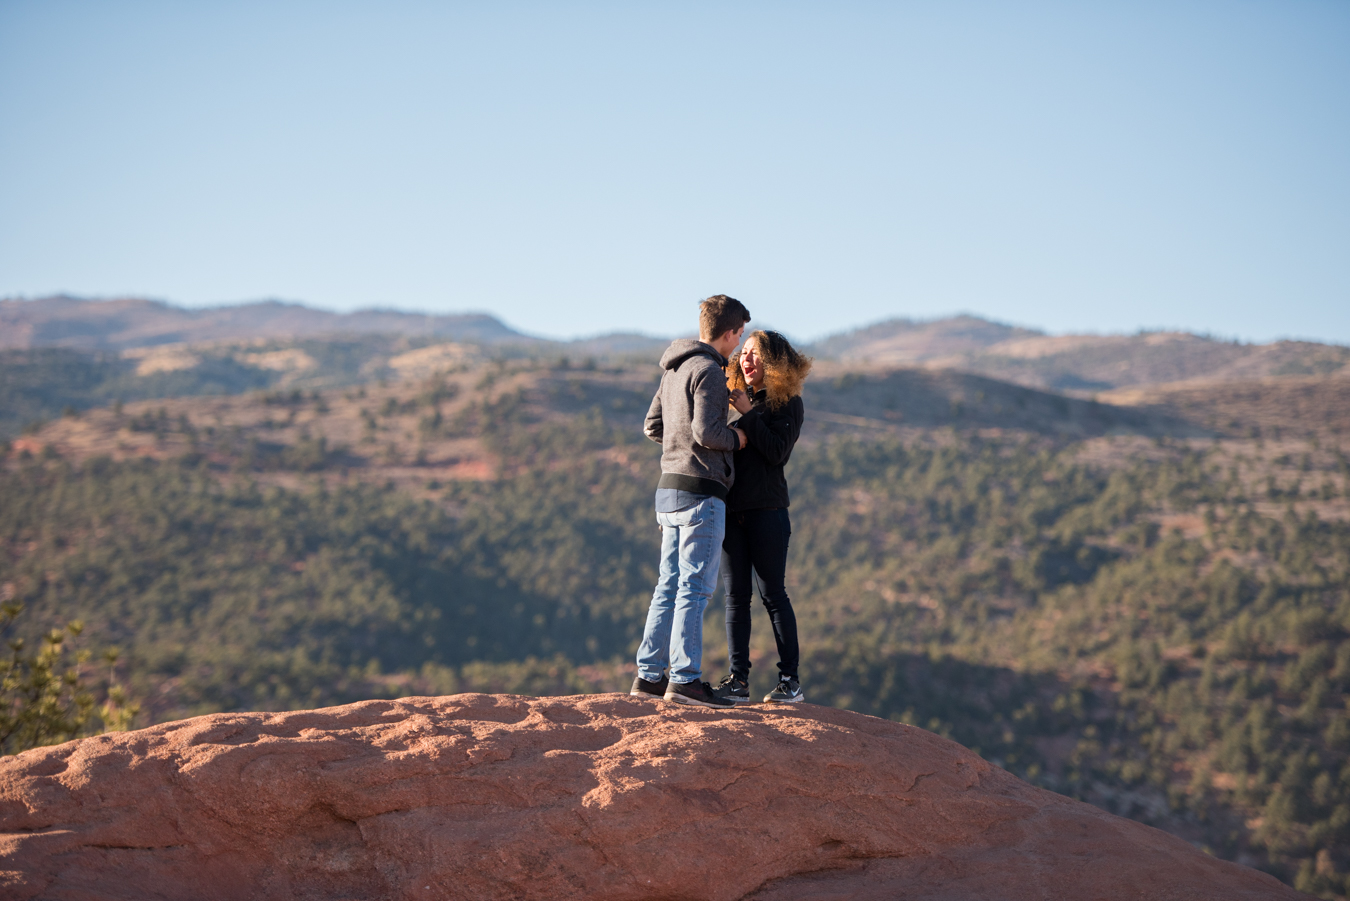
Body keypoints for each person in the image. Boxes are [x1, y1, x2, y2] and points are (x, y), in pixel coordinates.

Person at [631, 295, 751, 708]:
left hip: (668, 489)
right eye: (739, 336)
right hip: (702, 491)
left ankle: (649, 676)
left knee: (667, 584)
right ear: (730, 332)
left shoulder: (673, 369)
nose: (738, 344)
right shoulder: (710, 372)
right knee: (695, 588)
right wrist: (739, 437)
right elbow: (707, 432)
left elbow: (652, 427)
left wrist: (678, 447)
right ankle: (684, 679)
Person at [712, 330, 812, 704]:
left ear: (775, 362)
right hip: (731, 513)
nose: (746, 360)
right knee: (735, 598)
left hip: (768, 513)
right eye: (743, 354)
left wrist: (749, 415)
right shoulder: (740, 403)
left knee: (773, 595)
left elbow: (775, 452)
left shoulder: (788, 404)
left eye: (755, 354)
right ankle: (737, 681)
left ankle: (790, 681)